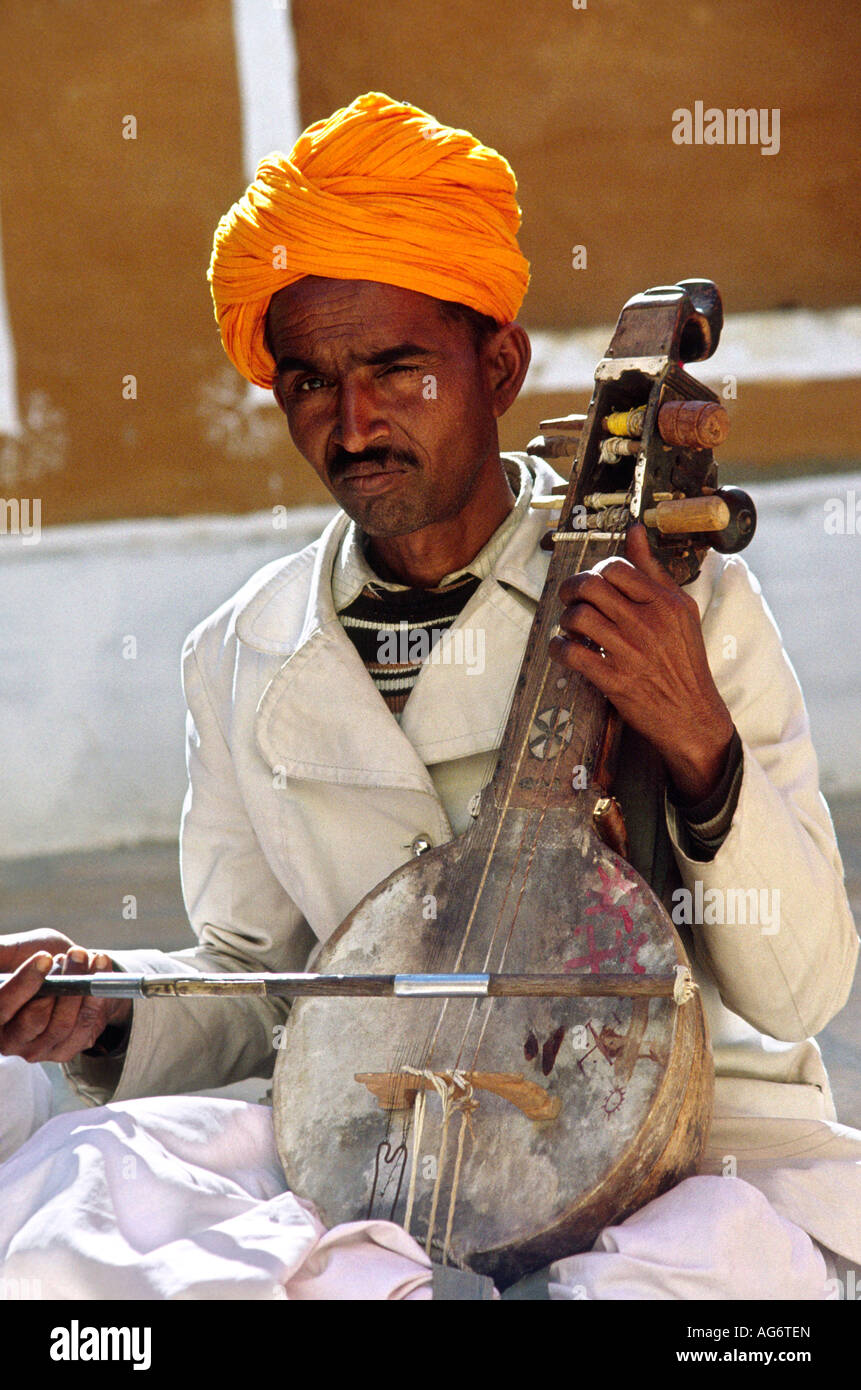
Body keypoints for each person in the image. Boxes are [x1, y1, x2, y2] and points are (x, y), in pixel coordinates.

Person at [0, 92, 858, 1301]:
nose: (352, 424)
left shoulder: (677, 595)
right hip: (380, 1147)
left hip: (687, 1148)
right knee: (62, 1219)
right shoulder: (240, 653)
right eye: (308, 384)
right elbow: (263, 983)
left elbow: (805, 991)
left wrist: (703, 748)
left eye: (398, 370)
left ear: (496, 364)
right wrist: (111, 1011)